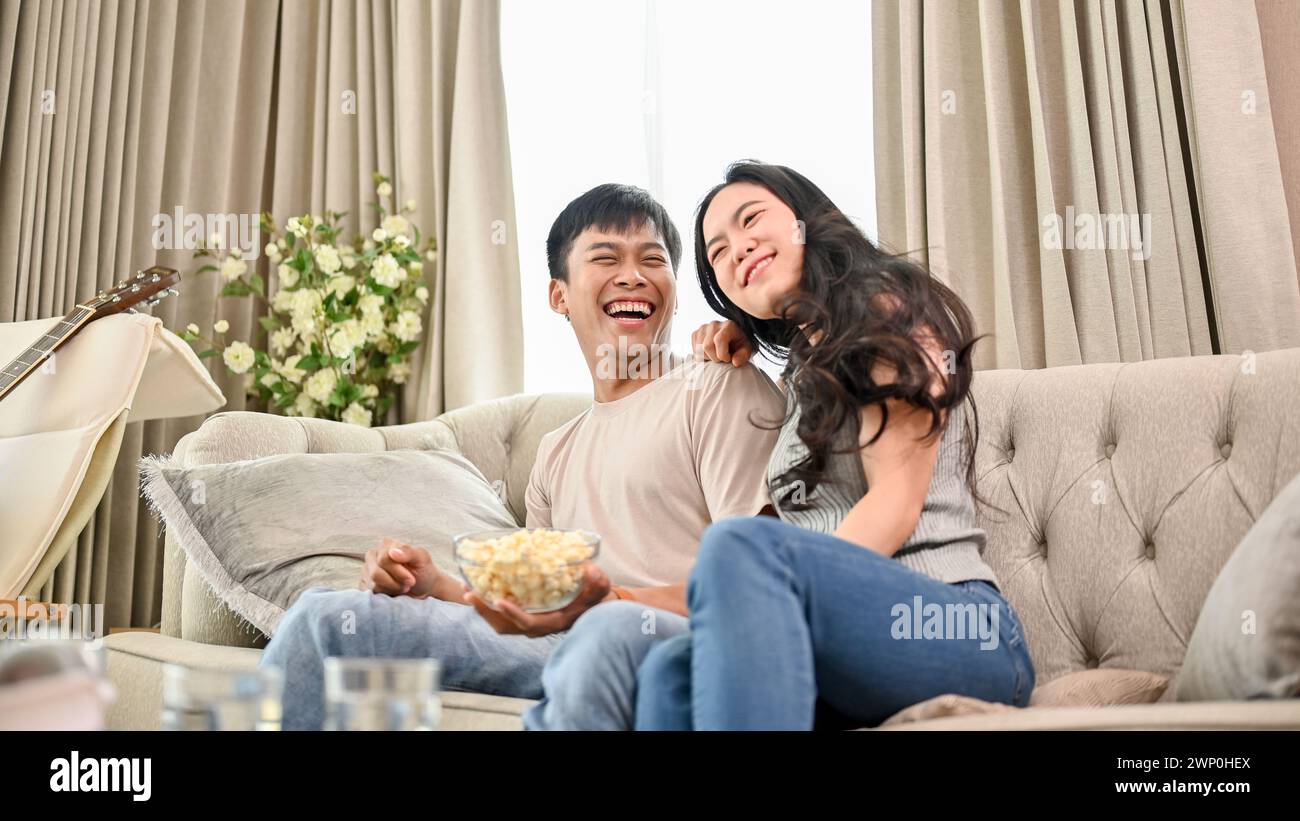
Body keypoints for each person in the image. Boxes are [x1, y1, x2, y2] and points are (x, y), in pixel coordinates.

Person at [259, 183, 784, 730]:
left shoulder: (717, 388)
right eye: (606, 257)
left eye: (653, 260)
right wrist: (435, 586)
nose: (633, 274)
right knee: (328, 614)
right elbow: (538, 609)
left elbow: (758, 586)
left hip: (668, 644)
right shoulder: (557, 452)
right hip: (567, 643)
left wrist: (608, 605)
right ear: (559, 295)